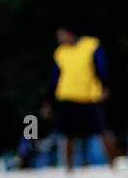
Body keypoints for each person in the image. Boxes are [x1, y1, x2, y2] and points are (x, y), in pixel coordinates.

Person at [45, 25, 121, 170]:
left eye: (62, 35)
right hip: (67, 97)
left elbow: (101, 67)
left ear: (70, 33)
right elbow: (54, 78)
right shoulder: (60, 52)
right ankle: (68, 168)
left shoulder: (91, 45)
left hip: (89, 96)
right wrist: (48, 101)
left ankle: (113, 163)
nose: (60, 39)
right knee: (67, 134)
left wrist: (104, 87)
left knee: (103, 131)